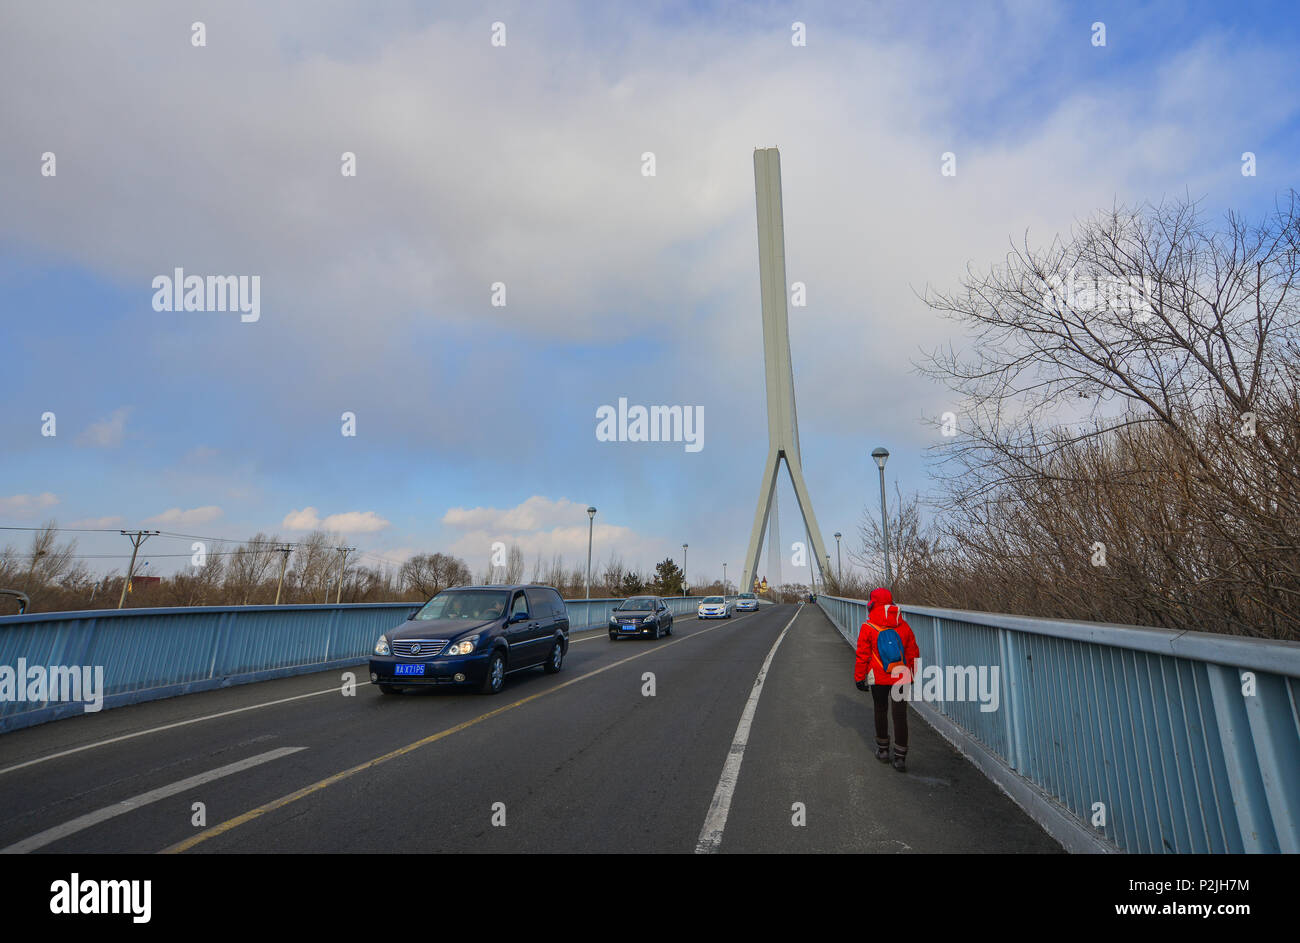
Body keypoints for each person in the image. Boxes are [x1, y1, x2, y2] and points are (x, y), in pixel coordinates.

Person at [854, 587, 920, 772]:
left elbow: (862, 655)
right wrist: (911, 674)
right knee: (900, 716)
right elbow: (913, 652)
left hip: (879, 676)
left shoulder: (868, 627)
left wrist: (859, 678)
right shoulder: (903, 625)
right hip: (902, 676)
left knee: (880, 710)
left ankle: (883, 751)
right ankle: (900, 758)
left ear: (872, 603)